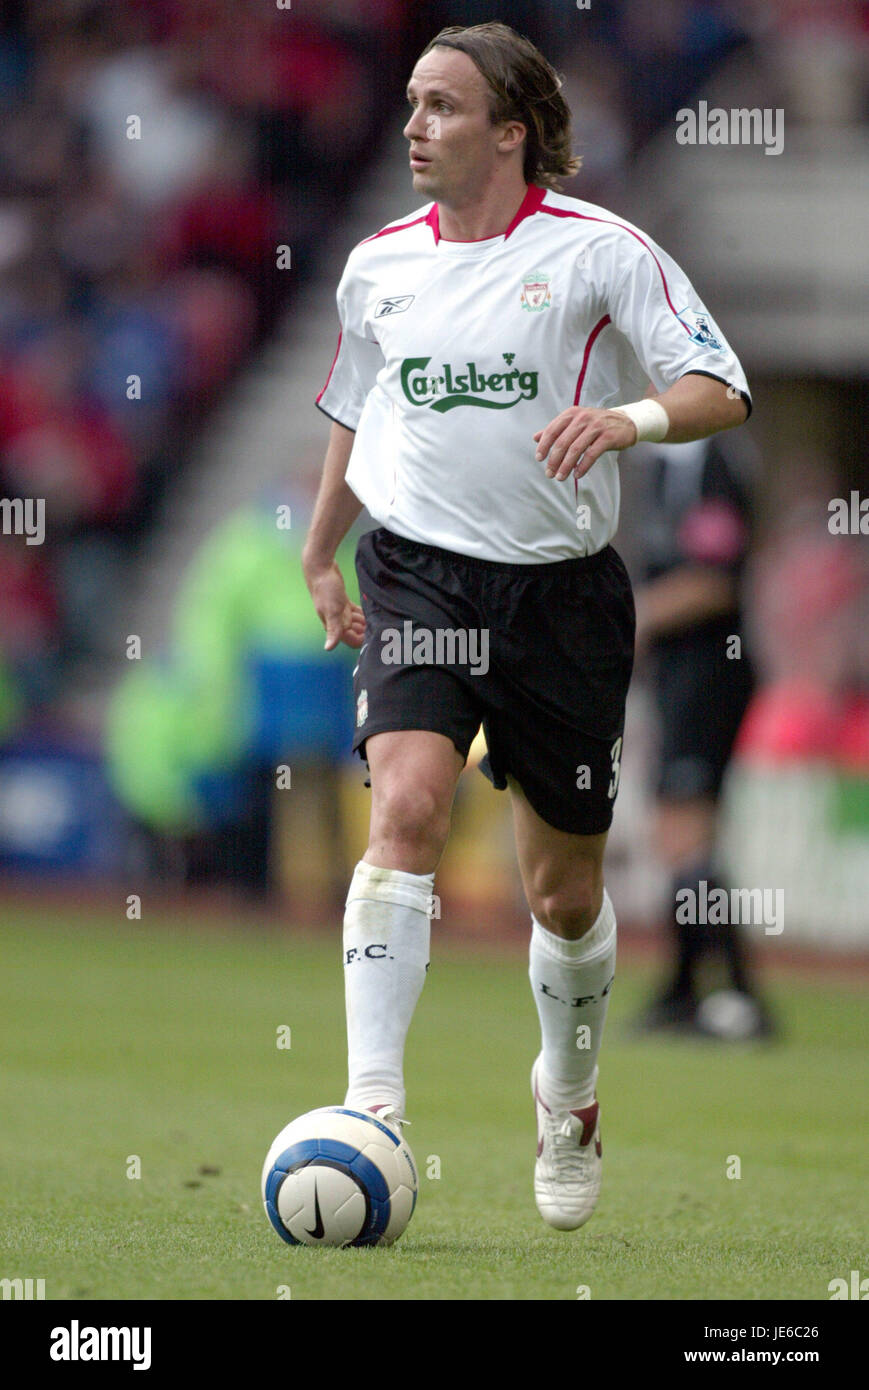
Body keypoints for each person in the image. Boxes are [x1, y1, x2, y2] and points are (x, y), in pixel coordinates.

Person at [302, 21, 751, 1232]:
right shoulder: (375, 266)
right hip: (417, 576)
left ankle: (569, 1091)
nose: (412, 124)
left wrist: (626, 422)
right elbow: (355, 405)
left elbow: (721, 384)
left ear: (510, 129)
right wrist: (320, 549)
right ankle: (373, 1107)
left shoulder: (603, 252)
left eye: (442, 106)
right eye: (408, 102)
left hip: (559, 599)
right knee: (402, 806)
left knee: (559, 896)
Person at [630, 435, 773, 1038]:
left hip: (712, 673)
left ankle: (718, 993)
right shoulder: (667, 466)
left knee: (685, 830)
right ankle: (701, 989)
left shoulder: (714, 467)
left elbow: (714, 582)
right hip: (680, 674)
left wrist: (629, 618)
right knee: (681, 836)